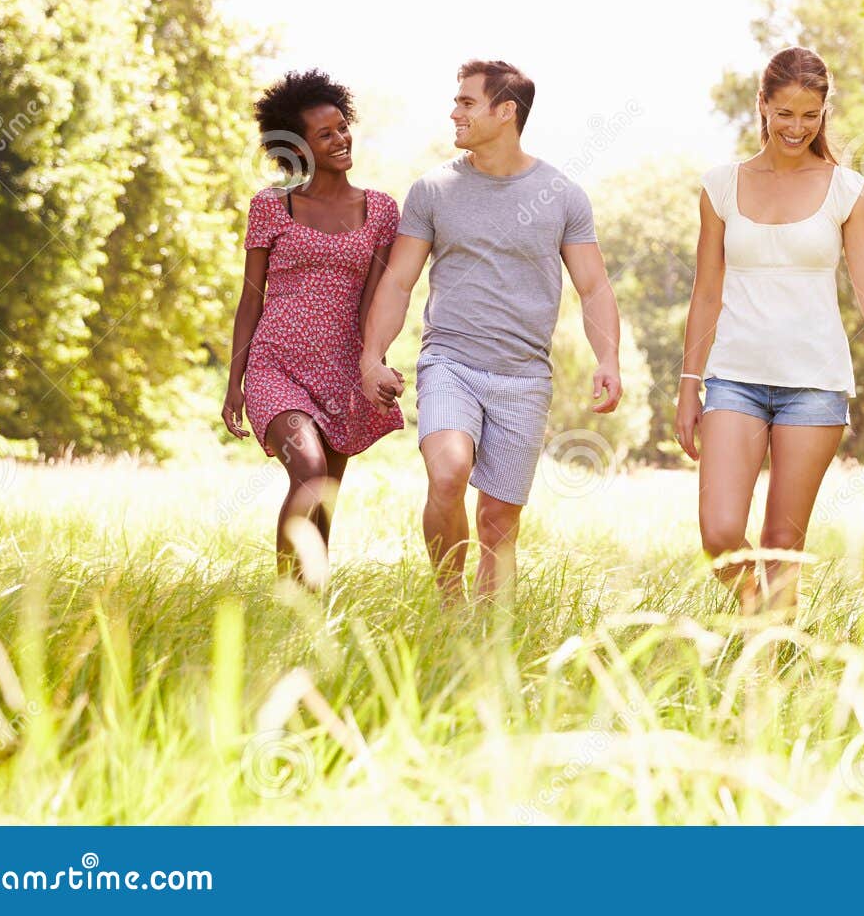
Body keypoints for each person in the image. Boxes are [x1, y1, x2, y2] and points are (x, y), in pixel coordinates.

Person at [675, 46, 864, 618]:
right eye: (785, 114)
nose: (796, 128)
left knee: (782, 546)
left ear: (825, 113)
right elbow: (706, 292)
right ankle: (760, 620)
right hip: (733, 379)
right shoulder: (721, 186)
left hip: (814, 387)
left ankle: (769, 672)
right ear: (762, 107)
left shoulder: (847, 190)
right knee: (721, 535)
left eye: (810, 115)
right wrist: (688, 385)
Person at [359, 60, 622, 607]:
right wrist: (372, 354)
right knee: (449, 473)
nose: (454, 112)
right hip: (449, 361)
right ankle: (450, 606)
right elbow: (400, 279)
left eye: (466, 102)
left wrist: (609, 359)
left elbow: (594, 287)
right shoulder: (433, 190)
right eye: (456, 101)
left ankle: (489, 633)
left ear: (506, 112)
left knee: (499, 521)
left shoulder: (562, 194)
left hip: (524, 377)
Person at [222, 70, 404, 585]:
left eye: (342, 127)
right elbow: (249, 298)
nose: (341, 139)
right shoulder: (271, 206)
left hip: (343, 370)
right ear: (299, 147)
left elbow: (378, 299)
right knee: (308, 472)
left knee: (325, 495)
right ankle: (287, 598)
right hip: (275, 367)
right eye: (325, 134)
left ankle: (311, 605)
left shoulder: (380, 210)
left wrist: (375, 363)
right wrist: (235, 381)